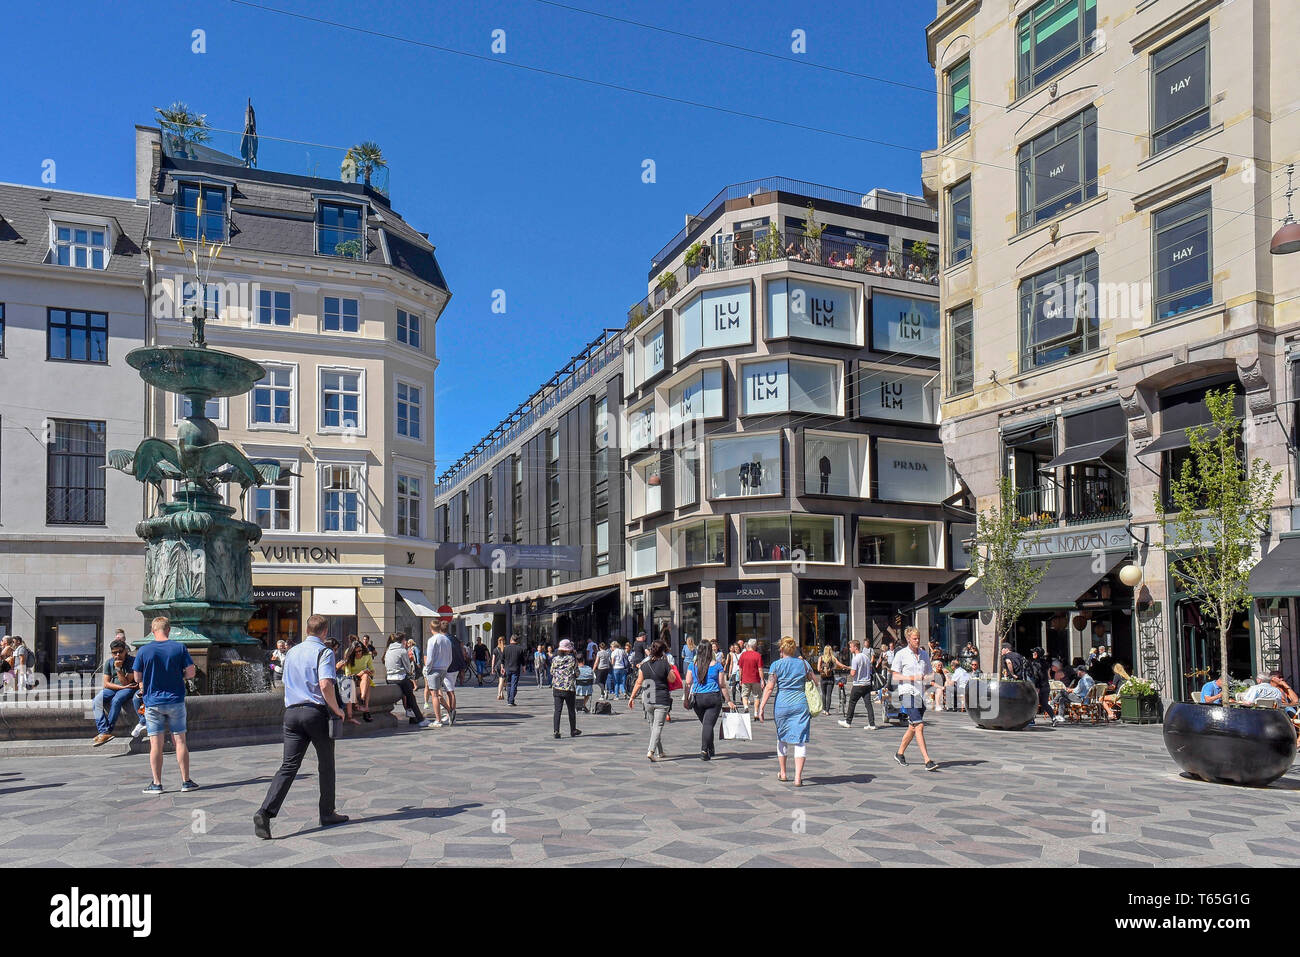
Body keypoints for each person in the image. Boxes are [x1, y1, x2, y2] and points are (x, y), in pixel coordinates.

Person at [254, 614, 350, 839]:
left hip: (291, 714)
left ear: (307, 629)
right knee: (326, 764)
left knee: (288, 766)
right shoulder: (324, 652)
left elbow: (285, 682)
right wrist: (337, 709)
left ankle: (265, 812)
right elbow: (325, 684)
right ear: (324, 632)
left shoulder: (292, 652)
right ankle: (327, 813)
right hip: (314, 712)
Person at [133, 616, 198, 794]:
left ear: (153, 631)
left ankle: (157, 783)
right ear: (168, 630)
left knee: (156, 744)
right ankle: (186, 781)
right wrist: (179, 676)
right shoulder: (179, 647)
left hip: (153, 702)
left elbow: (137, 678)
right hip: (175, 700)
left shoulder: (144, 650)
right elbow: (191, 672)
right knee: (180, 741)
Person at [756, 636, 816, 786]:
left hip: (782, 704)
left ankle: (783, 772)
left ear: (782, 650)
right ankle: (797, 777)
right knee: (800, 740)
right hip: (800, 704)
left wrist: (761, 707)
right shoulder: (803, 663)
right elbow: (815, 681)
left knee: (781, 737)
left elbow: (769, 687)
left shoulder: (776, 665)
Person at [892, 626, 938, 771]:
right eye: (914, 638)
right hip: (906, 692)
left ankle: (899, 753)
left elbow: (930, 673)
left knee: (913, 726)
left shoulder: (924, 654)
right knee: (919, 725)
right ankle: (927, 760)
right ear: (908, 639)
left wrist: (927, 678)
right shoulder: (901, 654)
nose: (917, 641)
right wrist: (912, 678)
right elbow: (895, 676)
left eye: (918, 638)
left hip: (919, 693)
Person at [683, 640, 736, 760]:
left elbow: (687, 683)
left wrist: (686, 699)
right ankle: (704, 750)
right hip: (713, 698)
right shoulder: (717, 665)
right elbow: (722, 685)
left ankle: (710, 748)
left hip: (698, 699)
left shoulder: (693, 665)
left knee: (707, 724)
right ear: (710, 651)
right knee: (708, 724)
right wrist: (728, 700)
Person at [93, 638, 145, 746]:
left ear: (125, 650)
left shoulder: (133, 661)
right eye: (114, 652)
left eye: (120, 651)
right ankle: (103, 730)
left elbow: (126, 682)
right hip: (116, 688)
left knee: (117, 700)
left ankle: (107, 731)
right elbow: (106, 683)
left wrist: (118, 669)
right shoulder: (108, 662)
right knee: (96, 701)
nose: (117, 655)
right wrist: (120, 688)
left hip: (129, 688)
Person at [629, 639, 673, 761]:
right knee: (657, 726)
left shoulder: (644, 665)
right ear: (663, 651)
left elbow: (638, 683)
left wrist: (632, 697)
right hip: (661, 698)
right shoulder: (665, 664)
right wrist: (671, 669)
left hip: (648, 698)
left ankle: (660, 751)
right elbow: (672, 679)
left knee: (653, 726)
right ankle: (651, 750)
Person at [384, 633, 429, 727]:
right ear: (402, 641)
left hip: (389, 678)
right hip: (399, 678)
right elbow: (408, 668)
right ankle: (420, 719)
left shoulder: (388, 650)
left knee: (407, 692)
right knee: (411, 697)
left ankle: (412, 717)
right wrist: (409, 660)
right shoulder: (402, 651)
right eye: (405, 640)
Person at [838, 639, 877, 730]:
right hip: (867, 684)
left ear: (855, 647)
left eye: (851, 647)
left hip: (858, 684)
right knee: (868, 704)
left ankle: (848, 721)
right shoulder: (866, 657)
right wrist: (850, 668)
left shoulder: (855, 658)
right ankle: (872, 724)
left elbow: (853, 673)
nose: (850, 648)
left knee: (852, 702)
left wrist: (849, 670)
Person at [549, 639, 582, 739]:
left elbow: (551, 672)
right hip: (569, 688)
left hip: (557, 687)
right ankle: (573, 730)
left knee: (557, 710)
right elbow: (577, 673)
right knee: (571, 710)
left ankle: (556, 731)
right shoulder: (572, 659)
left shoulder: (555, 659)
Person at [339, 638, 373, 724]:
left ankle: (362, 699)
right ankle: (365, 708)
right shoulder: (349, 657)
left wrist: (368, 672)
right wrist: (360, 673)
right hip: (352, 679)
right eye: (356, 652)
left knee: (366, 677)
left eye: (360, 651)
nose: (358, 653)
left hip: (363, 679)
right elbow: (348, 675)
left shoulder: (367, 656)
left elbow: (372, 671)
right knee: (351, 683)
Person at [425, 621, 452, 727]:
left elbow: (430, 658)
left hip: (434, 669)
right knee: (438, 693)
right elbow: (450, 657)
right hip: (443, 669)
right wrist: (446, 667)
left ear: (431, 628)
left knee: (434, 695)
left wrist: (427, 669)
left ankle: (438, 720)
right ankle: (450, 710)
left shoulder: (432, 640)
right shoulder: (446, 639)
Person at [815, 645, 849, 716]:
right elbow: (840, 664)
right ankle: (827, 711)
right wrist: (847, 667)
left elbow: (818, 669)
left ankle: (824, 710)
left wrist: (823, 671)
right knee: (829, 695)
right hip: (830, 678)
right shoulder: (832, 658)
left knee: (823, 694)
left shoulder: (821, 658)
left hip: (823, 678)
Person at [444, 625, 466, 724]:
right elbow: (461, 654)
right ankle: (449, 714)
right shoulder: (454, 639)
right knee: (449, 691)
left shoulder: (444, 640)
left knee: (450, 692)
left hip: (447, 668)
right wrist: (462, 669)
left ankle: (452, 714)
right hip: (455, 668)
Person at [737, 638, 765, 714]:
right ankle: (756, 713)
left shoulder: (743, 655)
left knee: (744, 695)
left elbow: (740, 669)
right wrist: (762, 680)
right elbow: (760, 669)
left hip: (745, 679)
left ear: (748, 645)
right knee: (757, 696)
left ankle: (746, 706)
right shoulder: (758, 655)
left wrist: (740, 679)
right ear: (755, 646)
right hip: (755, 679)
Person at [502, 633, 527, 705]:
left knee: (509, 684)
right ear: (517, 640)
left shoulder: (506, 648)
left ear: (511, 640)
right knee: (514, 685)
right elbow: (523, 660)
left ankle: (509, 699)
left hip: (507, 669)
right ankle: (511, 700)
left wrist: (502, 667)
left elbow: (502, 659)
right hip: (516, 669)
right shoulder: (520, 649)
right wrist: (524, 667)